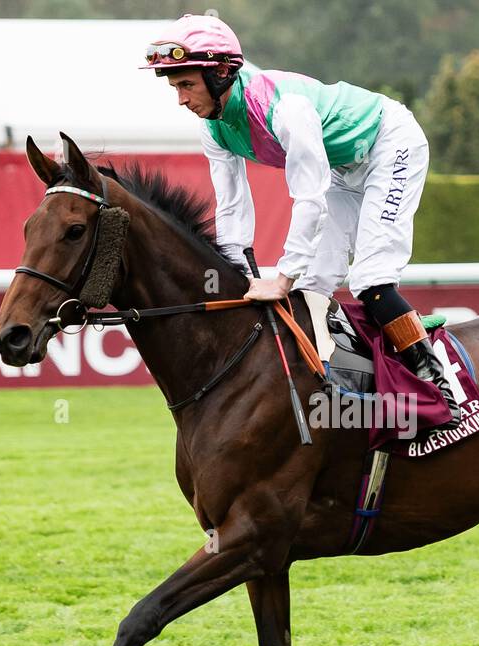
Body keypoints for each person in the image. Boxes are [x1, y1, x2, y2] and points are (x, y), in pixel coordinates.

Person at [141, 13, 461, 426]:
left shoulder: (284, 108)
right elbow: (232, 208)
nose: (181, 99)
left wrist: (282, 277)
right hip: (343, 169)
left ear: (220, 72)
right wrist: (238, 275)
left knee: (371, 280)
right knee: (314, 289)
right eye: (175, 87)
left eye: (186, 85)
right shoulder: (214, 127)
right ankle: (357, 390)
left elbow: (310, 198)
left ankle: (441, 388)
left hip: (390, 144)